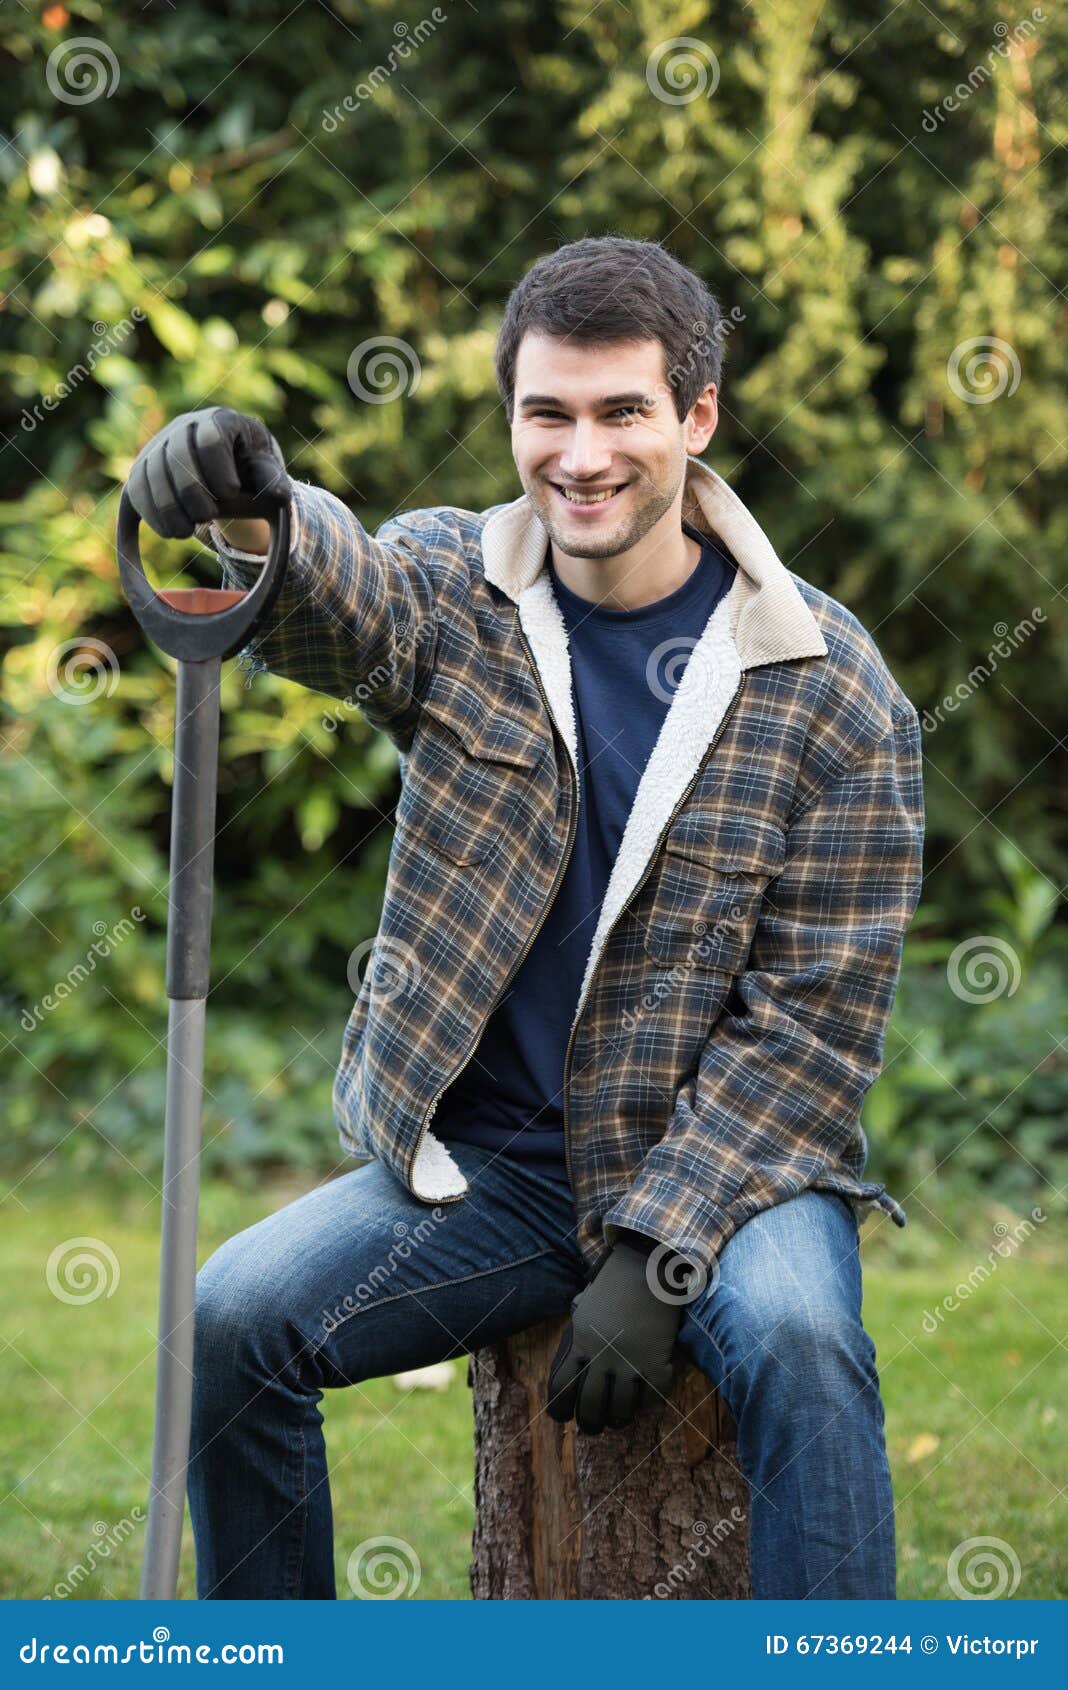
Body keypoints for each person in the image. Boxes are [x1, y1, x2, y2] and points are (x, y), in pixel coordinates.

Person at [127, 234, 925, 1600]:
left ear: (696, 419)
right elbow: (340, 607)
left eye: (623, 411)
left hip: (732, 1173)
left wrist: (664, 1244)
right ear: (511, 417)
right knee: (232, 1317)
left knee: (799, 1342)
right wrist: (258, 512)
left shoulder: (830, 687)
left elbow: (811, 1030)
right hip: (490, 1170)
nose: (582, 453)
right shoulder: (459, 592)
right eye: (546, 412)